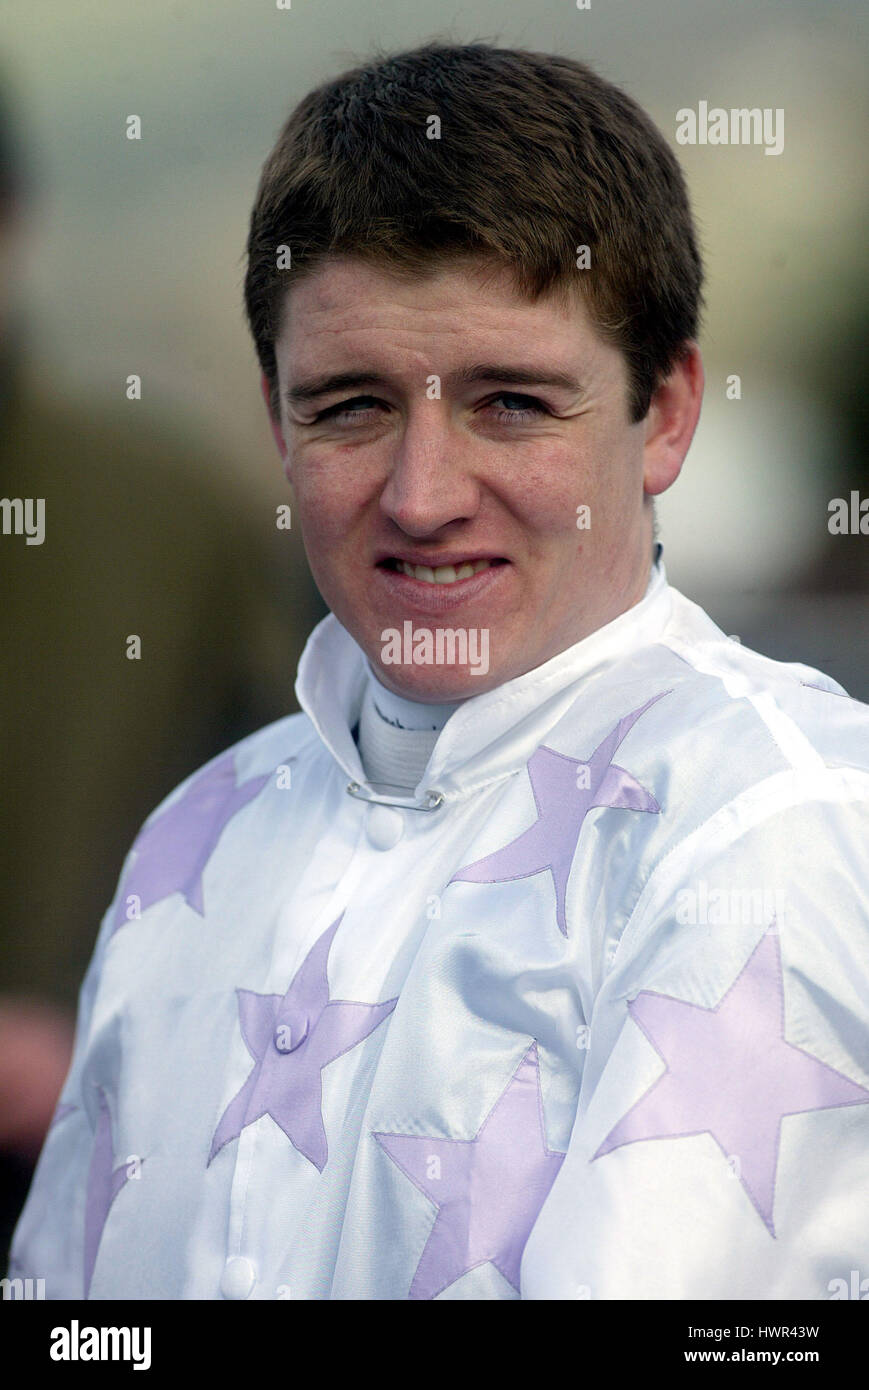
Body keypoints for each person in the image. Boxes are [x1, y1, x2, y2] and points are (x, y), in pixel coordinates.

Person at [8, 42, 869, 1302]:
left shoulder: (768, 833)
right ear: (274, 423)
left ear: (667, 412)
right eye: (349, 405)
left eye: (509, 402)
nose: (420, 497)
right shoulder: (196, 835)